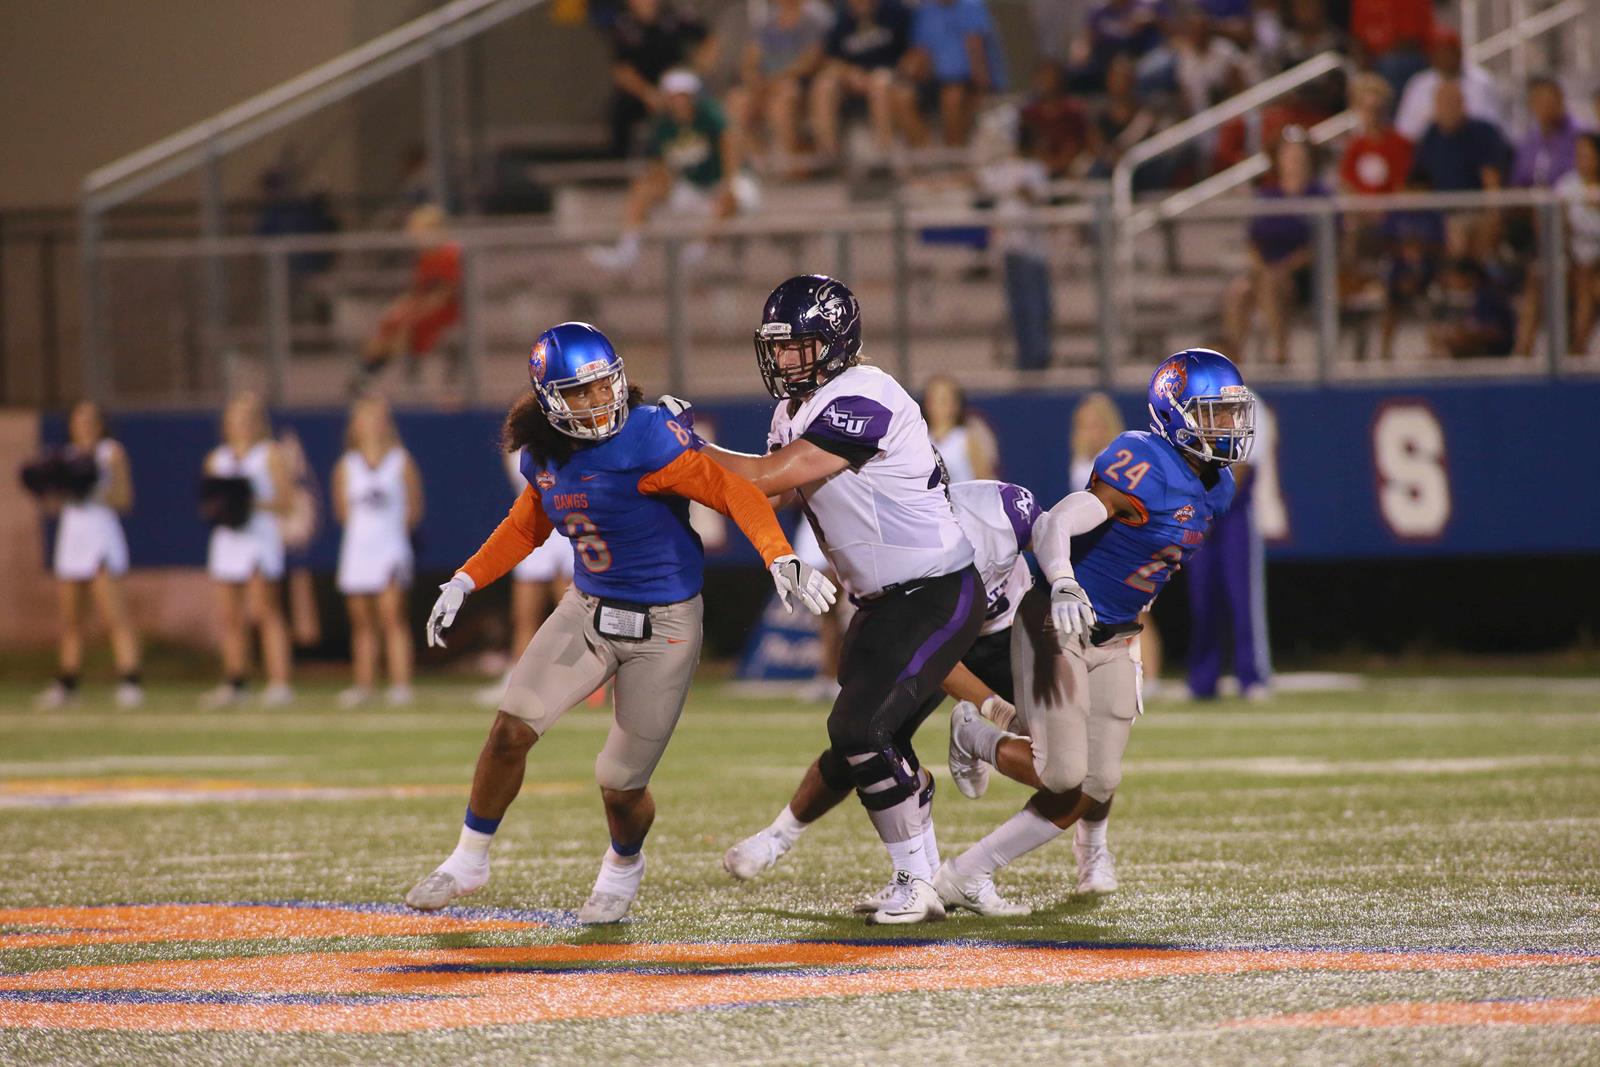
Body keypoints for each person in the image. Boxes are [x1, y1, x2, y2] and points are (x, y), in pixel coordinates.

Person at [405, 322, 833, 924]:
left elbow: (735, 492)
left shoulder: (649, 439)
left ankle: (623, 866)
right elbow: (529, 522)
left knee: (620, 785)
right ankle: (468, 858)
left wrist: (777, 553)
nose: (598, 401)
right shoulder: (544, 454)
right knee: (509, 731)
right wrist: (466, 579)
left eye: (604, 385)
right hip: (587, 610)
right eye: (579, 393)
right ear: (550, 399)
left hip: (666, 626)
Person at [697, 275, 986, 924]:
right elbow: (761, 496)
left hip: (937, 590)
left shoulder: (865, 392)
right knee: (867, 738)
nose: (782, 358)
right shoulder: (791, 411)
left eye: (797, 346)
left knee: (861, 729)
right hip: (883, 601)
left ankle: (917, 880)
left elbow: (773, 475)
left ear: (833, 342)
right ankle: (921, 876)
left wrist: (687, 448)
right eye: (776, 346)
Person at [943, 349, 1253, 911]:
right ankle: (975, 733)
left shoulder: (1220, 487)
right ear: (1175, 412)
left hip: (1116, 636)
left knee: (1099, 783)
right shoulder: (1141, 460)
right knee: (1062, 773)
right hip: (1056, 621)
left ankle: (969, 873)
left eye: (1232, 413)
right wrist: (1063, 582)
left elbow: (1157, 561)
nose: (1230, 427)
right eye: (1215, 413)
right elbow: (1057, 521)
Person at [721, 477, 1041, 915]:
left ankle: (1090, 849)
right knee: (863, 734)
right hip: (939, 635)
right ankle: (791, 837)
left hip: (1008, 636)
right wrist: (997, 711)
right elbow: (933, 650)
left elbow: (1059, 545)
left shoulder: (997, 507)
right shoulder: (880, 534)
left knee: (1070, 757)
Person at [588, 69, 758, 271]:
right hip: (695, 186)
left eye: (683, 96)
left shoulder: (710, 115)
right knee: (643, 190)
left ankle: (697, 253)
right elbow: (659, 166)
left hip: (729, 180)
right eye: (674, 96)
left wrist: (728, 183)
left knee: (730, 198)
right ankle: (626, 251)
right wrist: (659, 184)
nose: (679, 102)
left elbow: (730, 146)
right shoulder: (663, 126)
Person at [32, 401, 143, 710]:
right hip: (72, 539)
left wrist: (90, 489)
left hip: (100, 537)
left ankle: (130, 678)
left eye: (90, 419)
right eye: (78, 419)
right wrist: (51, 488)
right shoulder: (65, 456)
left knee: (113, 613)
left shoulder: (111, 452)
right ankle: (67, 681)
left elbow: (124, 498)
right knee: (71, 617)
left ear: (100, 423)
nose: (83, 425)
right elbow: (53, 505)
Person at [200, 392, 295, 709]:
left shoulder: (269, 454)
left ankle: (279, 682)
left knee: (265, 610)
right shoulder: (217, 458)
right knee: (229, 615)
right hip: (229, 539)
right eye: (235, 419)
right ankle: (235, 680)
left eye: (247, 419)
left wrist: (248, 500)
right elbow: (208, 501)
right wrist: (223, 506)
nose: (240, 425)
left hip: (259, 537)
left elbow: (286, 501)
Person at [333, 396, 423, 708]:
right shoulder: (347, 465)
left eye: (376, 419)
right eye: (364, 419)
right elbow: (342, 512)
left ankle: (400, 684)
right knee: (361, 621)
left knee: (392, 617)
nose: (370, 426)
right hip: (358, 549)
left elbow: (414, 509)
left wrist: (391, 535)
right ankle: (364, 684)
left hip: (390, 548)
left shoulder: (401, 460)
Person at [474, 447, 576, 709]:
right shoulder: (520, 446)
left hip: (567, 527)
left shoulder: (571, 435)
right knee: (524, 615)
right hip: (535, 529)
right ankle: (517, 679)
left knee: (574, 615)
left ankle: (578, 679)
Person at [1186, 399, 1273, 700]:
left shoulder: (1249, 404)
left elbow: (1243, 466)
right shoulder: (1192, 403)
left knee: (1242, 597)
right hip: (1201, 509)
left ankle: (1252, 676)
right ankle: (1203, 680)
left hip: (1233, 512)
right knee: (1202, 598)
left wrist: (1211, 506)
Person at [1223, 131, 1328, 364]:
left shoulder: (1320, 195)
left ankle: (1280, 352)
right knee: (1240, 290)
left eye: (1300, 157)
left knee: (1273, 280)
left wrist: (1287, 266)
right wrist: (1261, 265)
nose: (1294, 162)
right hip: (1268, 268)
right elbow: (1253, 240)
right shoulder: (1268, 196)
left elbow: (1325, 243)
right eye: (1289, 156)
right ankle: (1232, 358)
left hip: (1307, 274)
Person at [358, 205, 461, 385]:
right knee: (389, 321)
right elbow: (418, 291)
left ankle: (369, 374)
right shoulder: (425, 257)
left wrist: (413, 312)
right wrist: (403, 306)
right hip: (425, 307)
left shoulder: (448, 255)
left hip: (446, 312)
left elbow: (444, 295)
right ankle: (367, 372)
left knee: (403, 326)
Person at [810, 0, 913, 163]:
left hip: (890, 75)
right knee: (824, 85)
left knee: (880, 82)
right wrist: (849, 73)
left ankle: (884, 155)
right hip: (853, 79)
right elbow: (830, 58)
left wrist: (897, 71)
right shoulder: (841, 17)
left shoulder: (897, 12)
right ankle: (829, 156)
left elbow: (912, 51)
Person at [607, 0, 711, 158]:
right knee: (620, 112)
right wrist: (648, 94)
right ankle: (619, 166)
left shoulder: (674, 16)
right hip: (642, 91)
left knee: (701, 105)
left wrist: (695, 72)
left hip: (676, 86)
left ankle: (701, 154)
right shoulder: (623, 24)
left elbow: (708, 39)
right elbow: (622, 70)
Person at [895, 0, 1005, 149]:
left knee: (952, 96)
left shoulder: (971, 6)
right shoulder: (925, 10)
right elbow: (919, 51)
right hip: (935, 80)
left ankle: (954, 152)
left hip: (968, 80)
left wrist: (983, 88)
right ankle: (926, 154)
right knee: (902, 97)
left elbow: (976, 50)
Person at [738, 0, 833, 171]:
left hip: (799, 82)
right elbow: (749, 59)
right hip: (766, 84)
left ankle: (791, 158)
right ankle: (756, 158)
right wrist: (754, 79)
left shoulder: (814, 19)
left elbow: (811, 60)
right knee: (737, 100)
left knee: (784, 96)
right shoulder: (767, 24)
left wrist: (775, 79)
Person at [1393, 27, 1503, 144]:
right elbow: (1405, 131)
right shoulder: (1419, 84)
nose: (1446, 57)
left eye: (1450, 51)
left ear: (1459, 52)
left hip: (1474, 148)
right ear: (1432, 56)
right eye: (1441, 52)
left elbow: (1494, 125)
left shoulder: (1482, 81)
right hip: (1432, 151)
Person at [1559, 133, 1600, 353]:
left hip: (1596, 265)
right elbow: (1557, 233)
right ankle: (1522, 352)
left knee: (1590, 286)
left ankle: (1576, 352)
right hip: (1573, 261)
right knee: (1537, 281)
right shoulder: (1567, 186)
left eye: (1588, 155)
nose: (1583, 160)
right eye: (1579, 156)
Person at [922, 375, 997, 481]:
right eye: (933, 400)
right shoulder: (920, 440)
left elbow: (985, 480)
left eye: (943, 400)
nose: (938, 406)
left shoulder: (966, 440)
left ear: (956, 405)